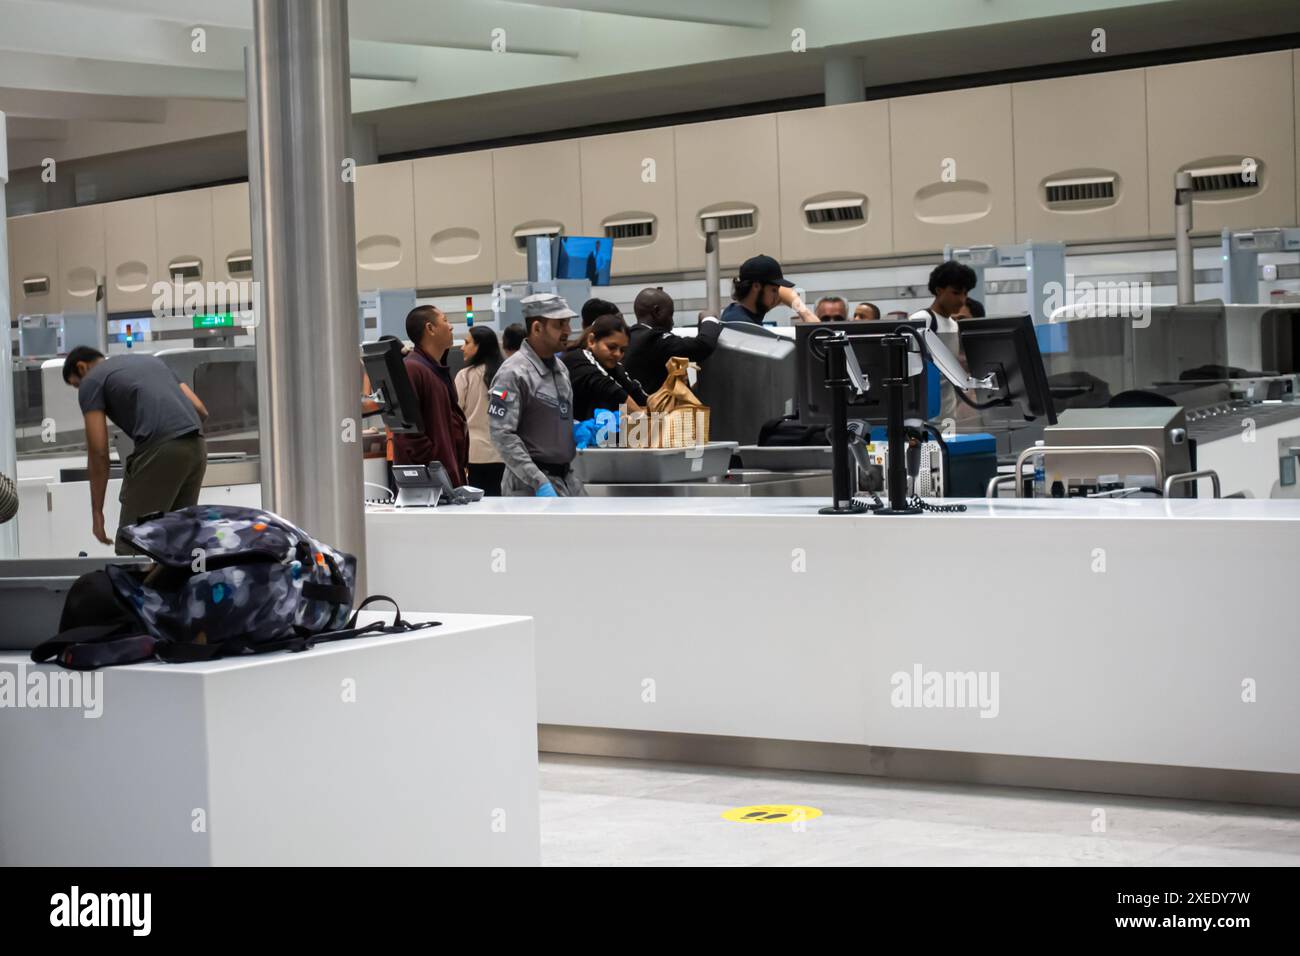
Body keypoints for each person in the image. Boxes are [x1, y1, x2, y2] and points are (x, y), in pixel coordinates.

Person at [62, 346, 209, 553]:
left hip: (161, 450)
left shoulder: (92, 380)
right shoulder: (152, 362)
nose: (80, 389)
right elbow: (200, 409)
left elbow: (98, 452)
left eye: (76, 385)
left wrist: (97, 512)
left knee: (133, 545)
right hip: (196, 447)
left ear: (81, 367)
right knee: (178, 543)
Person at [489, 293, 584, 497]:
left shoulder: (560, 369)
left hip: (566, 478)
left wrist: (576, 428)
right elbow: (502, 435)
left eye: (567, 323)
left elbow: (551, 415)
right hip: (529, 486)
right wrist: (538, 481)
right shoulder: (513, 373)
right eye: (560, 324)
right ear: (537, 328)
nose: (568, 330)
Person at [392, 305, 469, 486]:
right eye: (445, 320)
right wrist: (435, 465)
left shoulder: (435, 369)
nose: (450, 327)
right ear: (430, 328)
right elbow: (408, 433)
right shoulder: (413, 369)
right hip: (431, 485)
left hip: (447, 478)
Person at [910, 261, 978, 421]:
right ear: (939, 290)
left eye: (965, 293)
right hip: (924, 416)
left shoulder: (954, 325)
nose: (962, 300)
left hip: (948, 414)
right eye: (956, 293)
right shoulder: (922, 320)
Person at [624, 287, 723, 394]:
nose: (672, 322)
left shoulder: (630, 336)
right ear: (656, 311)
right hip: (651, 410)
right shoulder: (653, 339)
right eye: (670, 314)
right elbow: (703, 345)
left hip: (631, 409)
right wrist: (708, 318)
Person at [562, 313, 648, 422]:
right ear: (592, 341)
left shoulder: (615, 366)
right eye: (611, 347)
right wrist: (642, 416)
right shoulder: (578, 358)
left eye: (622, 350)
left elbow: (636, 392)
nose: (617, 354)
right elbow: (609, 389)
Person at [454, 326, 506, 496]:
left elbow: (454, 413)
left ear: (479, 346)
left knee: (477, 505)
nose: (462, 347)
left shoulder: (465, 376)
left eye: (467, 342)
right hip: (501, 454)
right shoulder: (505, 374)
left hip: (473, 454)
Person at [721, 254, 817, 325]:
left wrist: (802, 310)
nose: (778, 297)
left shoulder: (735, 311)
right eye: (774, 291)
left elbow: (785, 293)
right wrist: (806, 314)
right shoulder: (741, 324)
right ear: (756, 286)